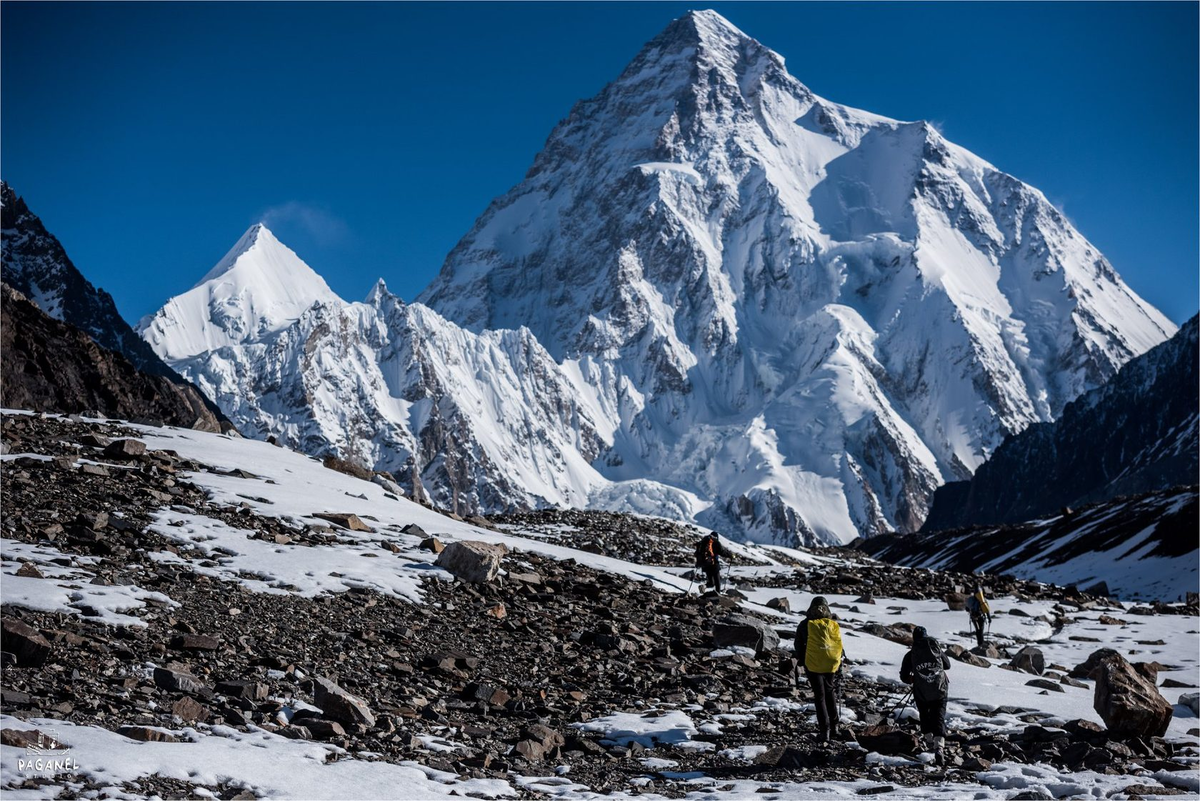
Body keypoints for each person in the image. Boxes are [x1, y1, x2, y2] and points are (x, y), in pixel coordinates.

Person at [794, 596, 845, 743]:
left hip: (813, 664)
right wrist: (839, 664)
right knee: (830, 692)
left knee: (819, 696)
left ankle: (825, 731)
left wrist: (802, 660)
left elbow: (798, 644)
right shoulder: (832, 624)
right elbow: (839, 646)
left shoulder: (805, 624)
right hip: (830, 664)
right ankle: (835, 727)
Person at [900, 626, 951, 766]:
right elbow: (947, 665)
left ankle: (928, 741)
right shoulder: (936, 650)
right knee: (938, 715)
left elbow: (904, 677)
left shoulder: (910, 655)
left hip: (921, 691)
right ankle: (939, 747)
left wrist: (914, 678)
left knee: (924, 713)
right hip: (940, 689)